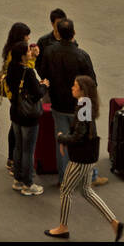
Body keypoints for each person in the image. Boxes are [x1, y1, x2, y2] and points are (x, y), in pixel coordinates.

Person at [45, 77, 124, 241]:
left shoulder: (83, 107)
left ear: (82, 90)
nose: (72, 87)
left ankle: (63, 227)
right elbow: (83, 132)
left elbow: (78, 136)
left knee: (66, 190)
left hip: (81, 158)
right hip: (89, 155)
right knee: (86, 191)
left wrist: (61, 138)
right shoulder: (86, 104)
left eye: (75, 85)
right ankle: (114, 222)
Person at [41, 18, 103, 184]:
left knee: (62, 141)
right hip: (79, 106)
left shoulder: (48, 52)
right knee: (87, 137)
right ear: (74, 33)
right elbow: (92, 82)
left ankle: (64, 178)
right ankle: (90, 176)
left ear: (58, 33)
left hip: (58, 104)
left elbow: (43, 74)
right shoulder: (81, 55)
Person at [6, 39, 47, 196]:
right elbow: (37, 94)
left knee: (18, 147)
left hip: (16, 113)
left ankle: (17, 180)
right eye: (28, 52)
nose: (31, 53)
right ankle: (28, 184)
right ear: (23, 56)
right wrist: (44, 85)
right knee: (28, 151)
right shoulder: (28, 73)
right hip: (29, 117)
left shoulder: (11, 68)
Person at [0, 22, 33, 174]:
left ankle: (11, 159)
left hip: (12, 93)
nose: (28, 37)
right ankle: (14, 161)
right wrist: (33, 57)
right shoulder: (16, 53)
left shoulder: (9, 49)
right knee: (17, 129)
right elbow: (26, 70)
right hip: (18, 94)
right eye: (27, 35)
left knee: (14, 126)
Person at [36, 8, 67, 73]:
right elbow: (38, 62)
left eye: (63, 22)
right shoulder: (43, 41)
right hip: (49, 80)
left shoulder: (69, 40)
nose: (61, 25)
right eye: (58, 23)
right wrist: (44, 77)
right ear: (52, 24)